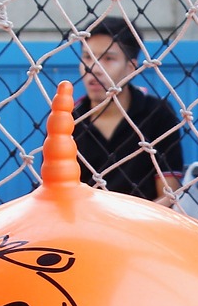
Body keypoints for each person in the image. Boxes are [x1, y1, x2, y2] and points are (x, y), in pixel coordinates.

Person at [71, 16, 183, 202]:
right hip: (84, 226)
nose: (94, 68)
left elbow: (168, 195)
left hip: (144, 225)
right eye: (88, 57)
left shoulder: (157, 113)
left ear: (130, 67)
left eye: (108, 59)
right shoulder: (68, 120)